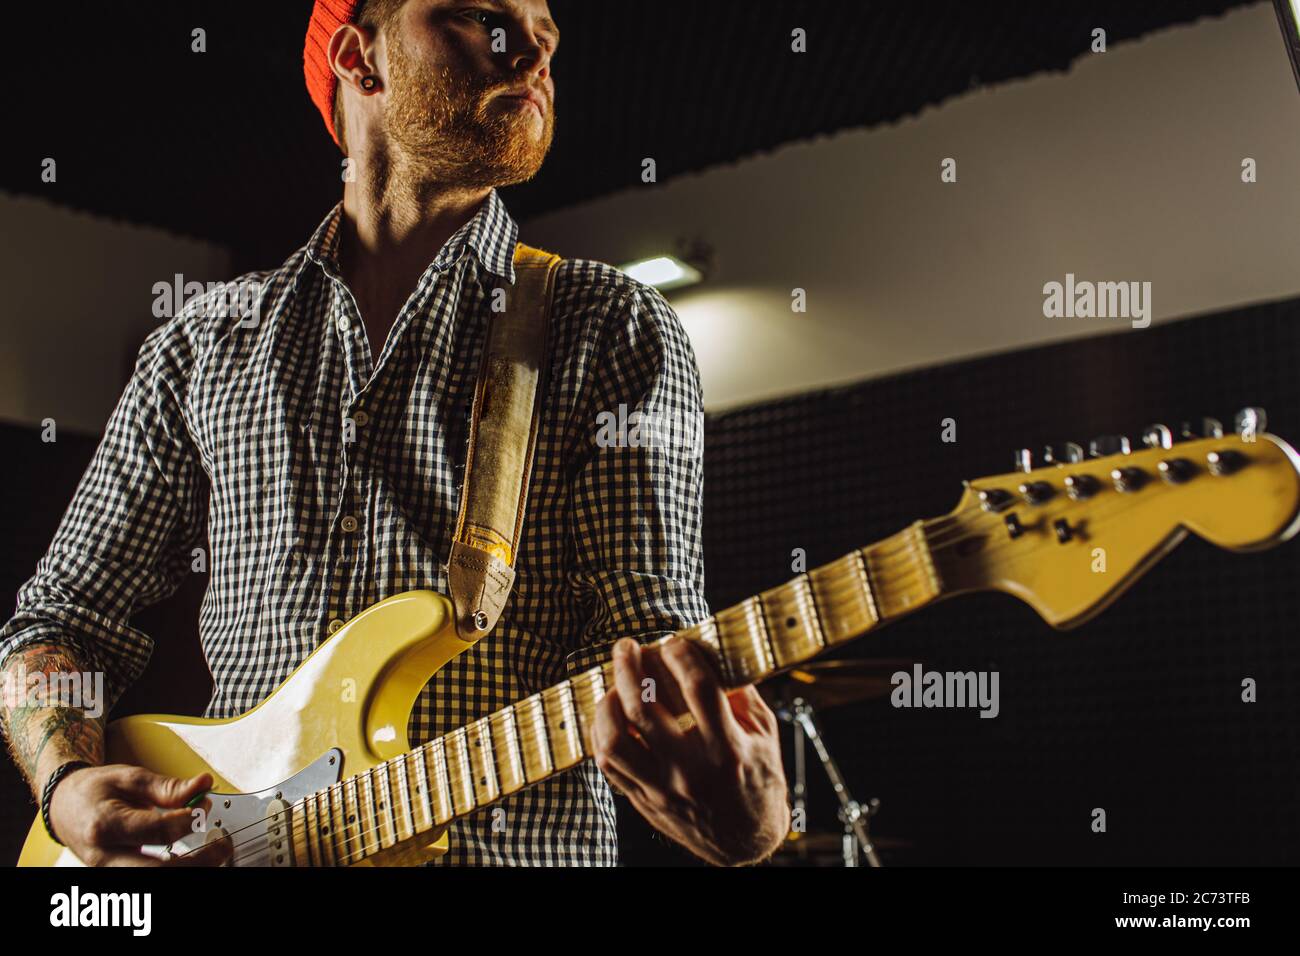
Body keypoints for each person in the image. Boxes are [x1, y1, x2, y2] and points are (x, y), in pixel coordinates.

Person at [0, 0, 789, 867]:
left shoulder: (610, 325)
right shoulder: (200, 346)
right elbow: (60, 621)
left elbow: (658, 653)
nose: (534, 46)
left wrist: (745, 819)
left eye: (544, 27)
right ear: (358, 57)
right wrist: (66, 786)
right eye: (481, 15)